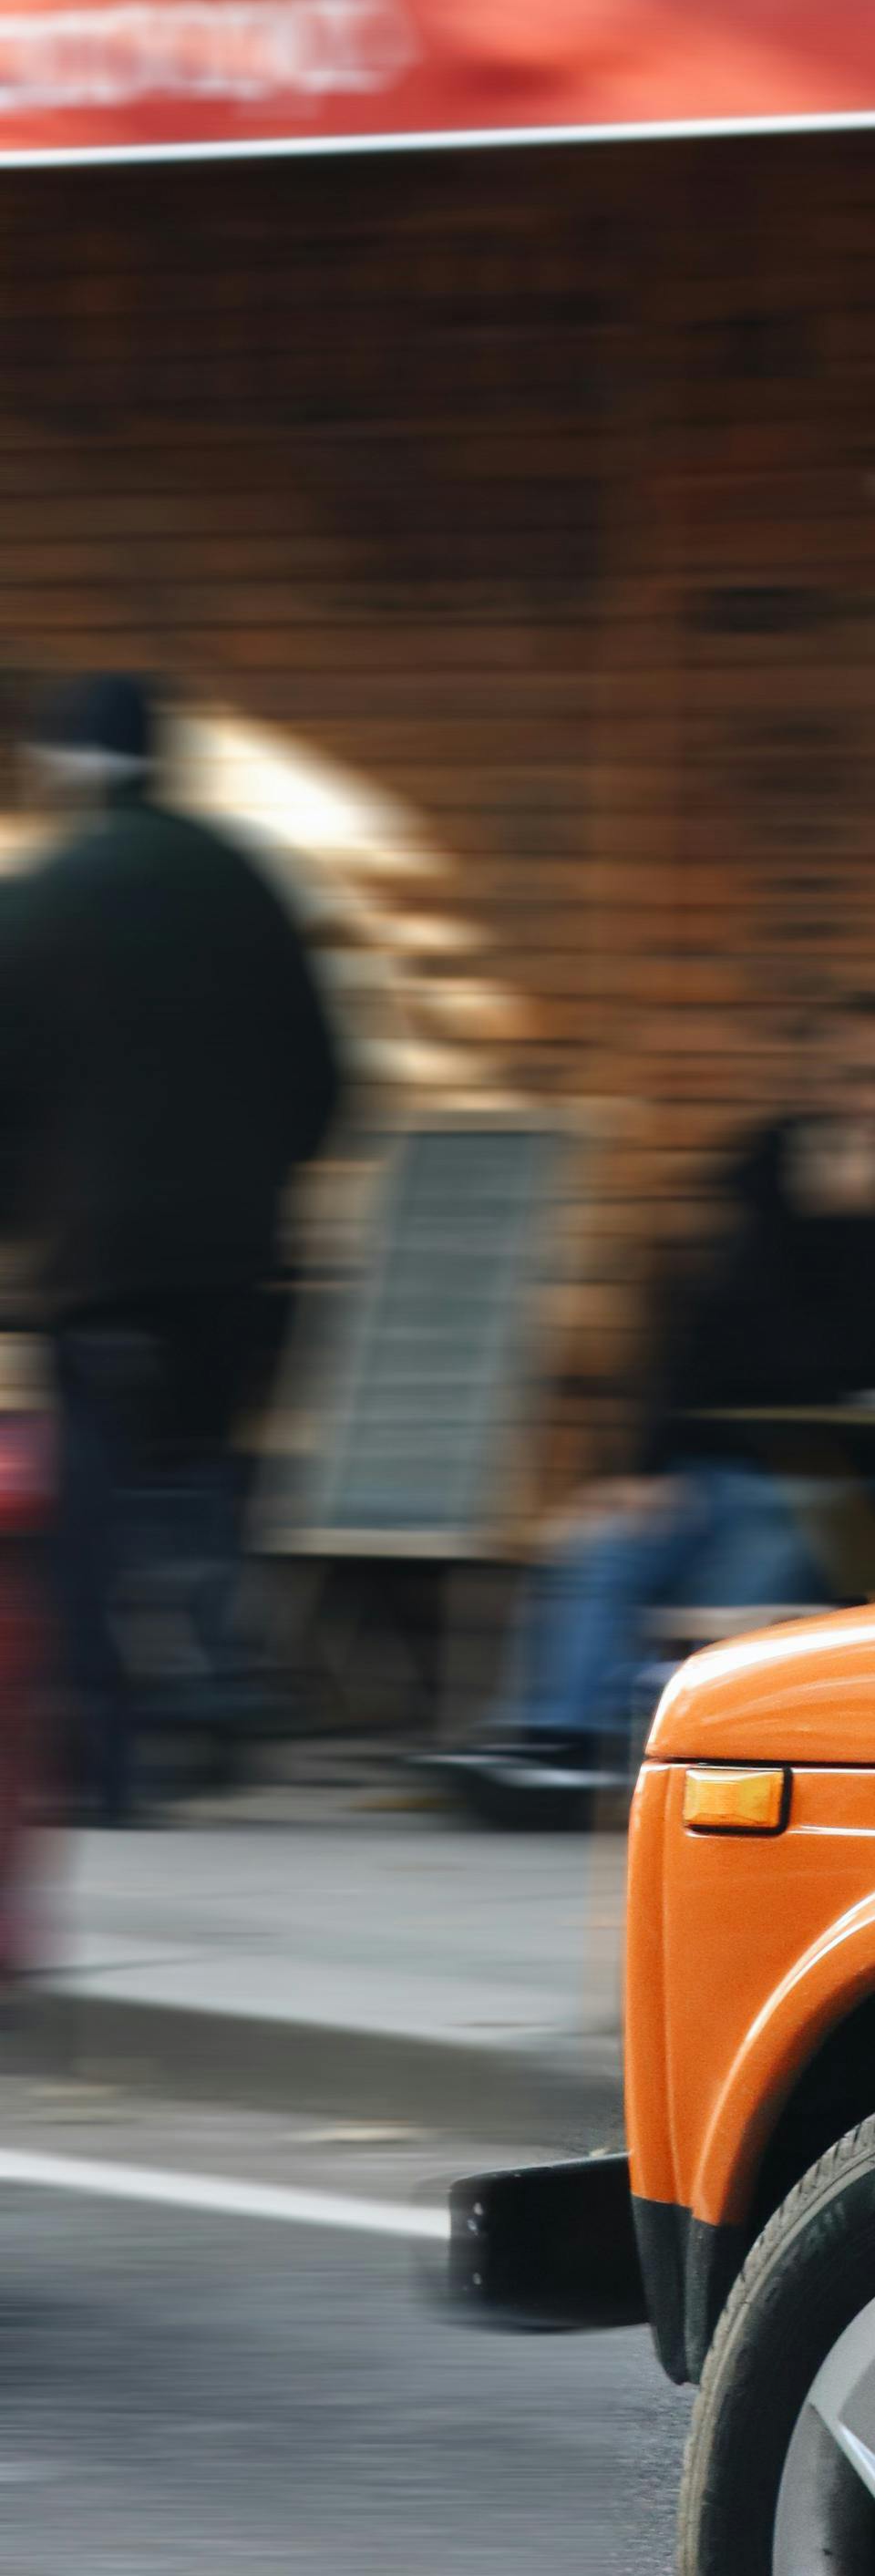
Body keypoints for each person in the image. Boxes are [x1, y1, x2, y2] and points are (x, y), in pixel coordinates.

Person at [448, 994, 875, 1803]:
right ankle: (564, 1741)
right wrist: (645, 1465)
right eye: (870, 1081)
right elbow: (703, 1335)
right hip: (730, 1462)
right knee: (601, 1543)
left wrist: (867, 1227)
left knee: (755, 1567)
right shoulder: (768, 1177)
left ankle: (676, 1754)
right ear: (825, 1089)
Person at [0, 672, 342, 1823]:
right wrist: (260, 1184)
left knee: (94, 1517)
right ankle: (217, 1702)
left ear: (65, 767)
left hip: (94, 1263)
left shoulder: (38, 899)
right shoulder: (248, 881)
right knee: (202, 1482)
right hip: (235, 1255)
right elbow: (323, 1079)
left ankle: (111, 1765)